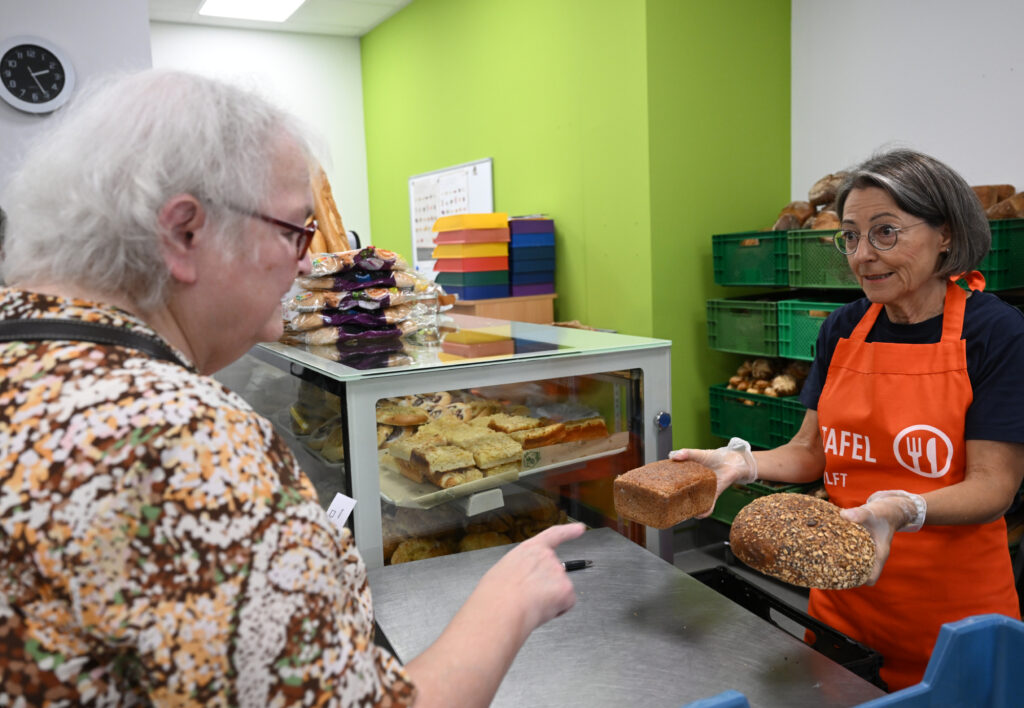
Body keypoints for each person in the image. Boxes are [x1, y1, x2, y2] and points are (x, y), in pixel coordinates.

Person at [0, 69, 583, 706]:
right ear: (184, 232)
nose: (307, 263)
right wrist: (508, 603)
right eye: (293, 231)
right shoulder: (181, 440)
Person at [674, 148, 1024, 691]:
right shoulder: (842, 328)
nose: (863, 256)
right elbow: (811, 450)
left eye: (885, 232)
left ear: (946, 235)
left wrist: (903, 509)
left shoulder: (996, 333)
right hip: (843, 603)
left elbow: (994, 486)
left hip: (953, 620)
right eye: (851, 236)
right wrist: (742, 463)